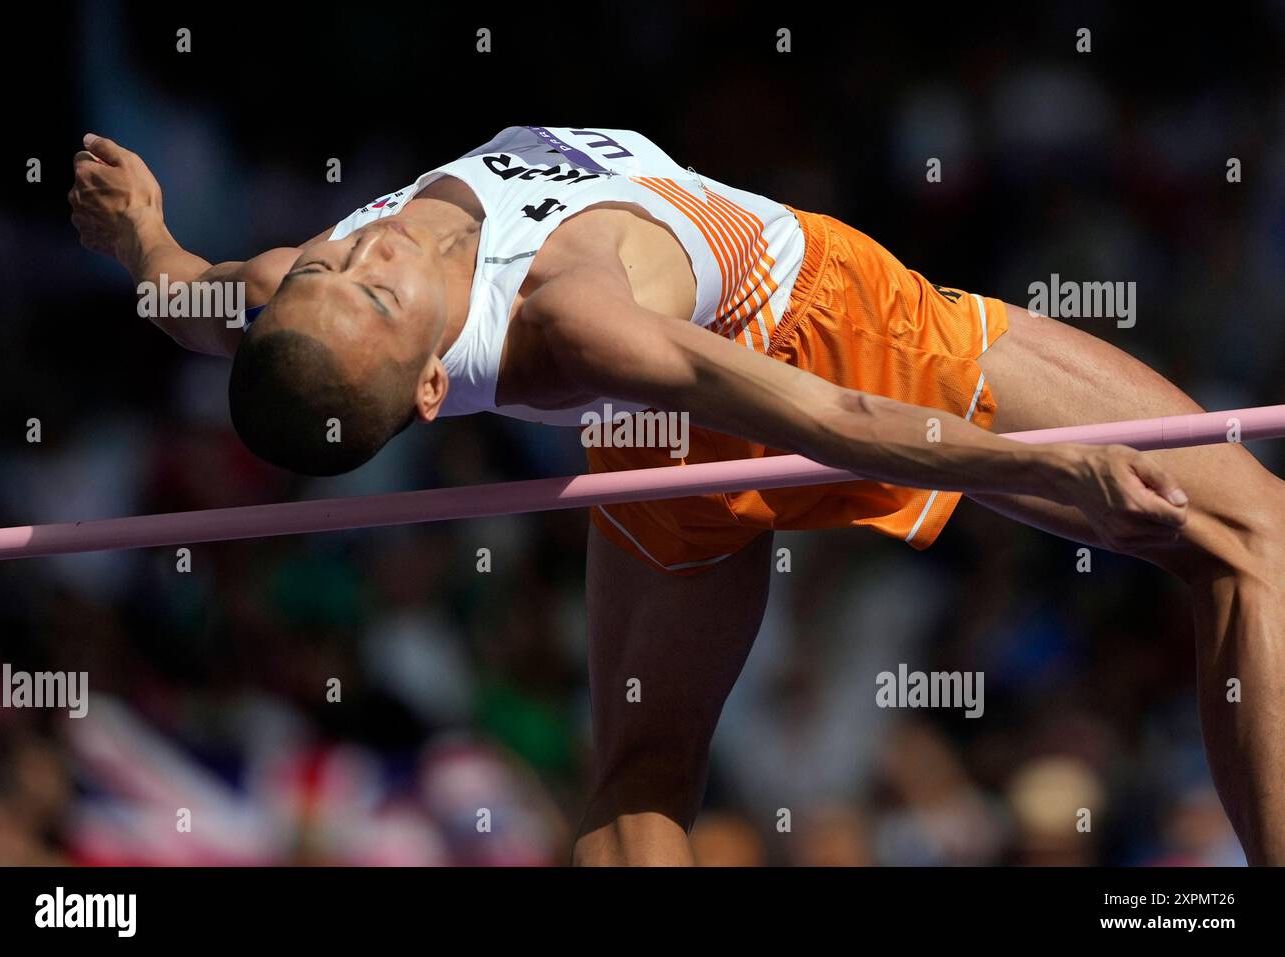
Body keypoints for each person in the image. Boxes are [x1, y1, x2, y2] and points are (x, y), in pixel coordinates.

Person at [69, 126, 1285, 865]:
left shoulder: (293, 300)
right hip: (820, 337)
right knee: (1246, 529)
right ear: (432, 382)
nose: (366, 255)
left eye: (334, 261)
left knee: (642, 772)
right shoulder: (571, 314)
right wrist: (1045, 468)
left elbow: (191, 296)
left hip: (658, 435)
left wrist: (141, 238)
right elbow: (828, 419)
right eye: (376, 294)